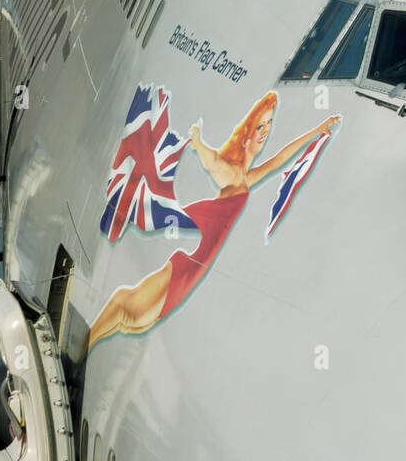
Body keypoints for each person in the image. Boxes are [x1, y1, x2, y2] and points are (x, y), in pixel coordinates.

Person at [87, 93, 340, 350]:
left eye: (269, 124)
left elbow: (279, 160)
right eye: (259, 126)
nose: (265, 131)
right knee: (124, 315)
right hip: (188, 274)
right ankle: (82, 351)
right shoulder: (232, 175)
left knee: (124, 312)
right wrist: (200, 145)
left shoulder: (244, 177)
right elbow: (214, 164)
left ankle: (82, 350)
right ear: (247, 134)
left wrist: (317, 131)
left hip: (187, 273)